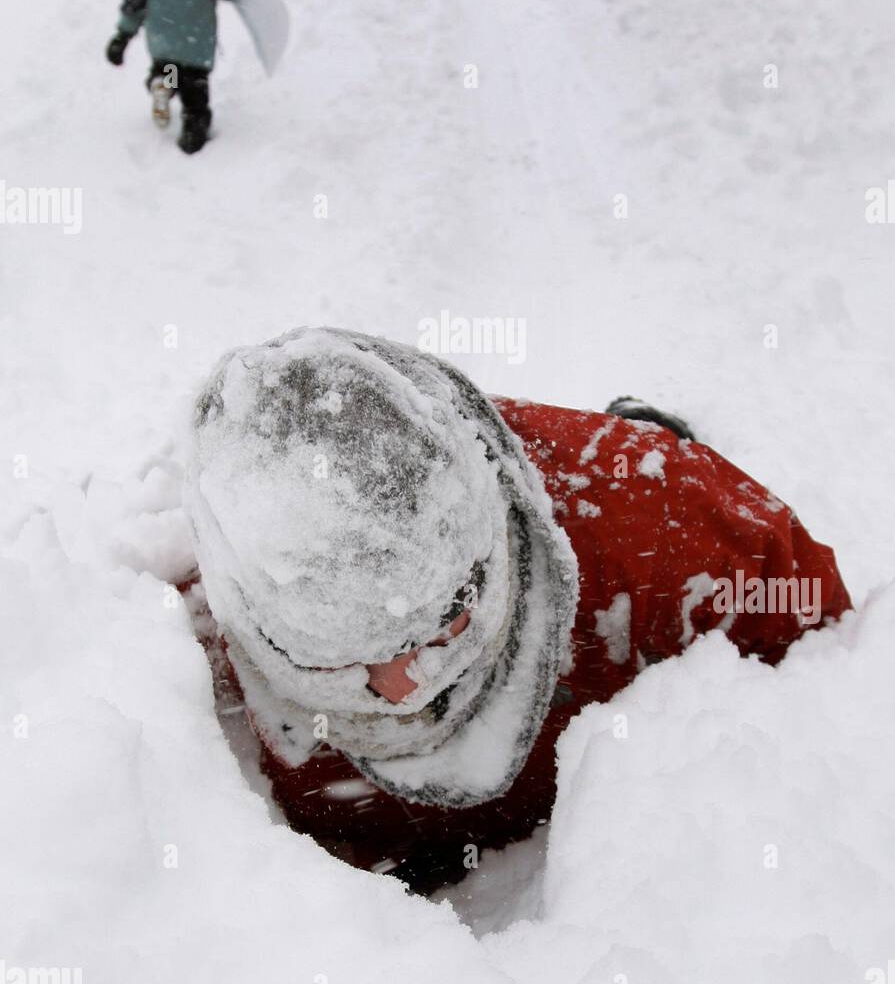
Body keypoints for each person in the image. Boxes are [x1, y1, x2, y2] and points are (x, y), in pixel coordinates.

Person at [182, 328, 852, 894]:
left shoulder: (664, 530)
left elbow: (832, 664)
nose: (408, 687)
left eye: (444, 615)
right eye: (336, 656)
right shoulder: (183, 651)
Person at [105, 0, 247, 155]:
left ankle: (163, 83)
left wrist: (122, 36)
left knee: (169, 71)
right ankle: (193, 143)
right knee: (195, 101)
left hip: (164, 39)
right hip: (195, 40)